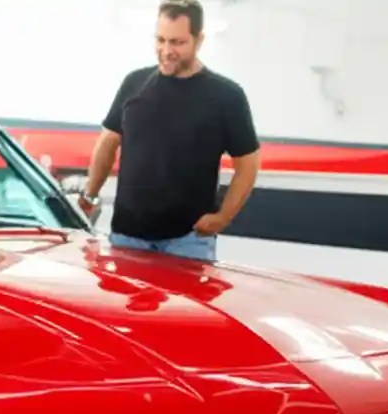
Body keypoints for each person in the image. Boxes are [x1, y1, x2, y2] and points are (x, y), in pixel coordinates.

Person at [77, 0, 261, 263]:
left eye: (177, 42)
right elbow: (108, 141)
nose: (166, 50)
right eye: (160, 40)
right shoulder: (135, 83)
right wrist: (90, 194)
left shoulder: (226, 97)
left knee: (187, 307)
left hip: (188, 242)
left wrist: (223, 217)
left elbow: (249, 164)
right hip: (127, 237)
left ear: (199, 40)